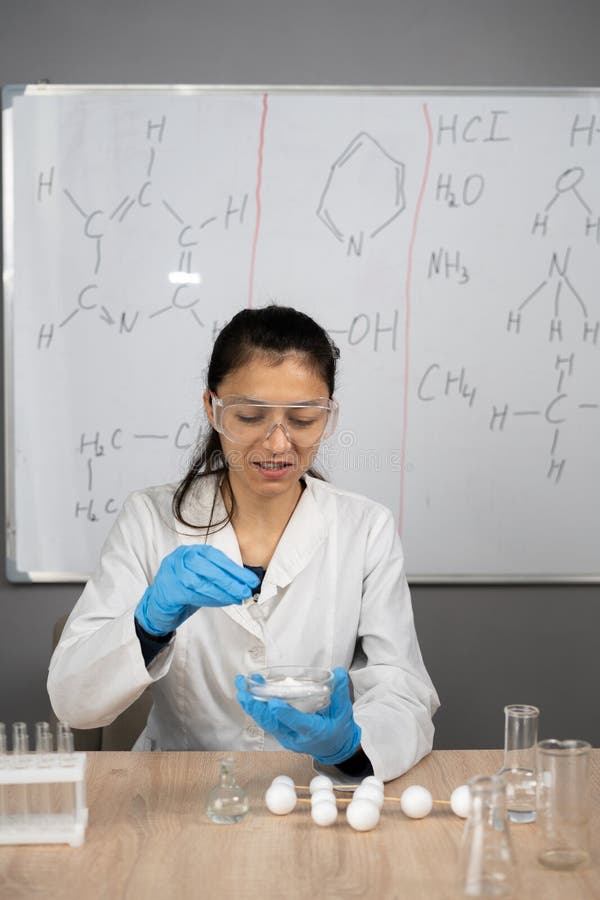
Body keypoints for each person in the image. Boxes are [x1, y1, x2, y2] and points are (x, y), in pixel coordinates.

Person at [48, 305, 439, 782]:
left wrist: (349, 747)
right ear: (212, 408)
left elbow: (403, 691)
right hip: (177, 792)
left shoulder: (365, 528)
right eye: (251, 416)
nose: (277, 443)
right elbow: (72, 701)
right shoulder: (150, 519)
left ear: (328, 414)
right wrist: (147, 627)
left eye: (303, 419)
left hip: (309, 788)